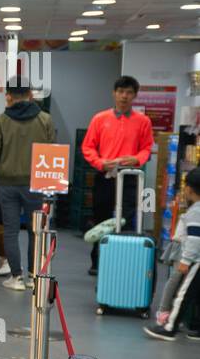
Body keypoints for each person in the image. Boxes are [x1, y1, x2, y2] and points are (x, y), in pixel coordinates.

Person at [0, 77, 57, 291]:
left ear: (9, 96)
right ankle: (34, 276)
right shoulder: (45, 119)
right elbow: (52, 151)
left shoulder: (2, 121)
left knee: (11, 231)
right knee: (36, 231)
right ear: (30, 95)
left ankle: (17, 277)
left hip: (7, 184)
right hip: (36, 184)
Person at [81, 76, 154, 275]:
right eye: (121, 91)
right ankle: (97, 261)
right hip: (105, 175)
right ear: (114, 93)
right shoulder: (100, 118)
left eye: (129, 92)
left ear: (135, 96)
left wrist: (136, 159)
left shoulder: (143, 121)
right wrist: (99, 162)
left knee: (127, 219)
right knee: (101, 218)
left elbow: (147, 148)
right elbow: (87, 147)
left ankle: (126, 259)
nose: (124, 96)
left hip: (130, 177)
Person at [144, 167, 200, 341]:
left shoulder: (195, 211)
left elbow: (194, 239)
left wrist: (185, 260)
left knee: (183, 294)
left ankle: (169, 327)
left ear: (189, 189)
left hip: (196, 260)